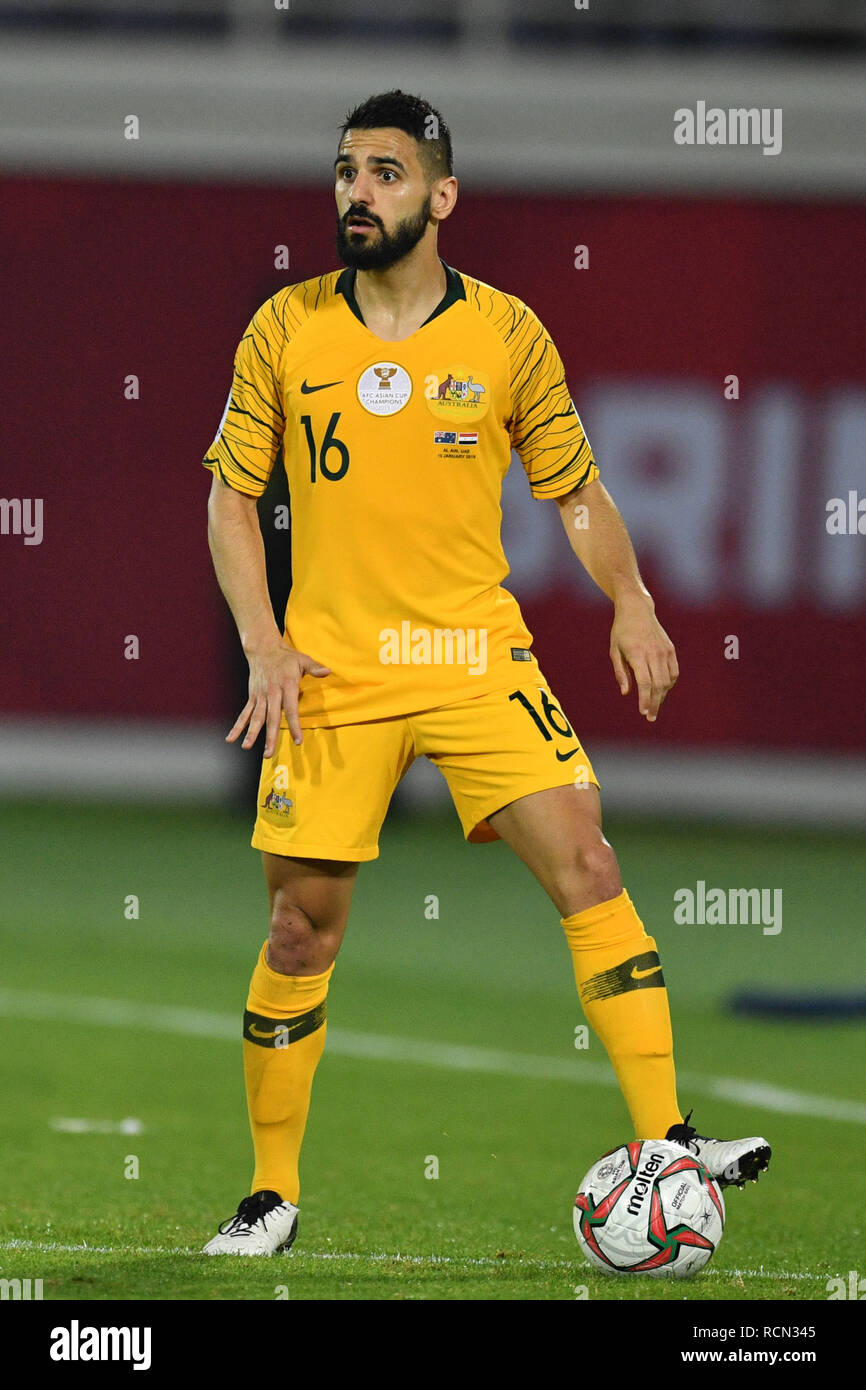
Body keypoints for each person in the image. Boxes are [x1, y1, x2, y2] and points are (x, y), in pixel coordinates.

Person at [201, 90, 770, 1257]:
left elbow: (574, 490)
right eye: (347, 169)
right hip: (335, 672)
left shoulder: (506, 334)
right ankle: (270, 1193)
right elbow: (227, 495)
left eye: (386, 173)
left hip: (471, 657)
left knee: (588, 860)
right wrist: (262, 638)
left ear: (441, 197)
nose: (357, 191)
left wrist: (632, 599)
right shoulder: (285, 328)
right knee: (300, 930)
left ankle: (665, 1137)